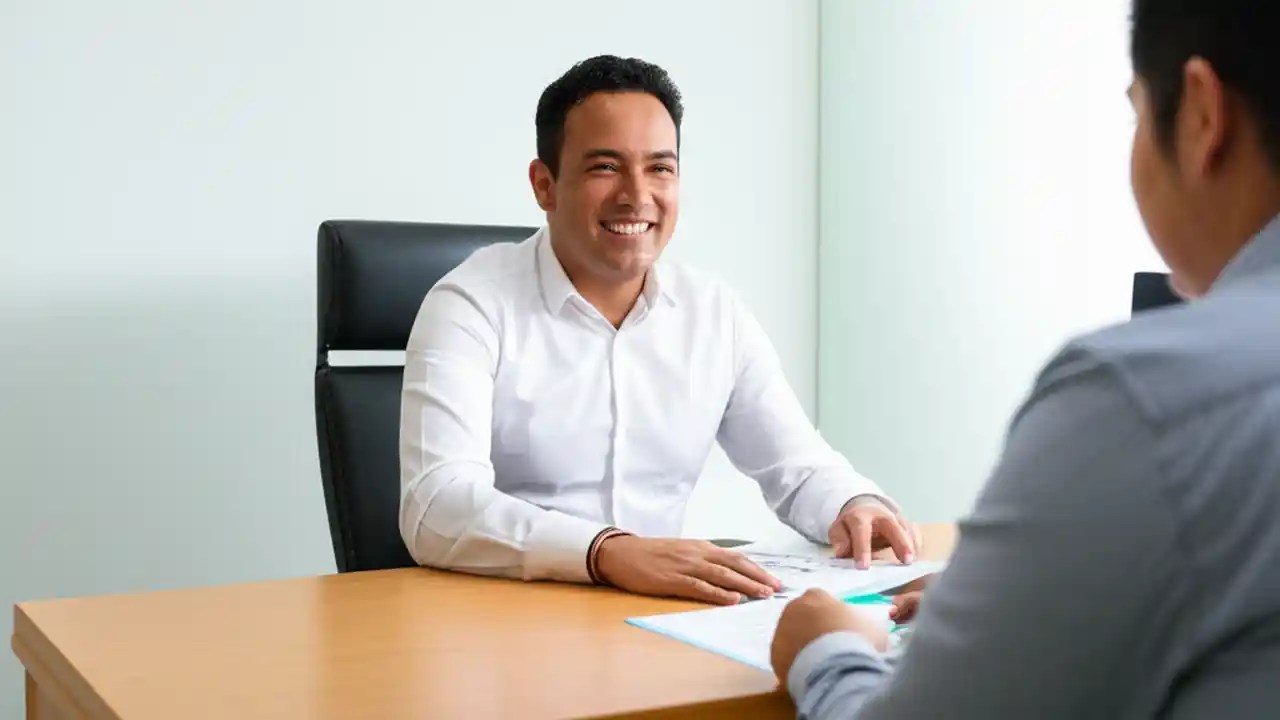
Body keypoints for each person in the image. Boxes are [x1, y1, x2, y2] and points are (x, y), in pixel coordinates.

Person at [771, 0, 1280, 716]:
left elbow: (792, 454)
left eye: (1136, 113)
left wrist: (827, 650)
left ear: (1200, 115)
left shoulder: (1142, 399)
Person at [398, 55, 919, 606]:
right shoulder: (470, 303)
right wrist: (607, 551)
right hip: (502, 616)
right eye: (605, 167)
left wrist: (853, 504)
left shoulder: (713, 312)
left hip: (660, 614)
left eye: (660, 168)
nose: (637, 194)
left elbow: (798, 464)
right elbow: (437, 505)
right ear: (544, 185)